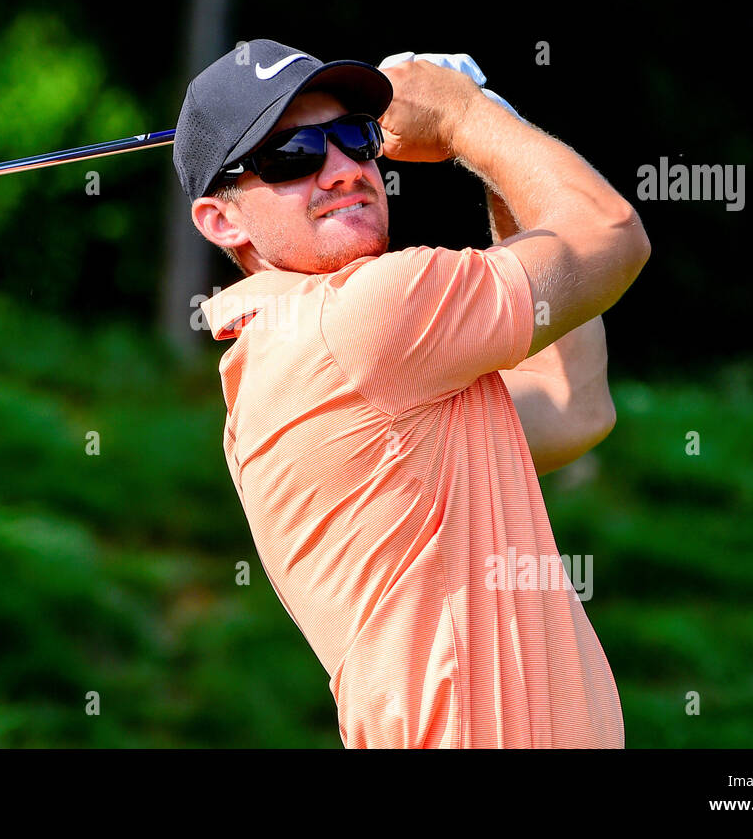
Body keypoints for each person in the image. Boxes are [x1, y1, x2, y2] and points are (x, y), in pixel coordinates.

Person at [173, 39, 650, 748]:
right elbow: (611, 237)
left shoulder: (322, 357)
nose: (341, 170)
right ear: (222, 221)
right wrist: (467, 119)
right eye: (292, 156)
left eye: (354, 138)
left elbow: (571, 401)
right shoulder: (363, 319)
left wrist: (492, 137)